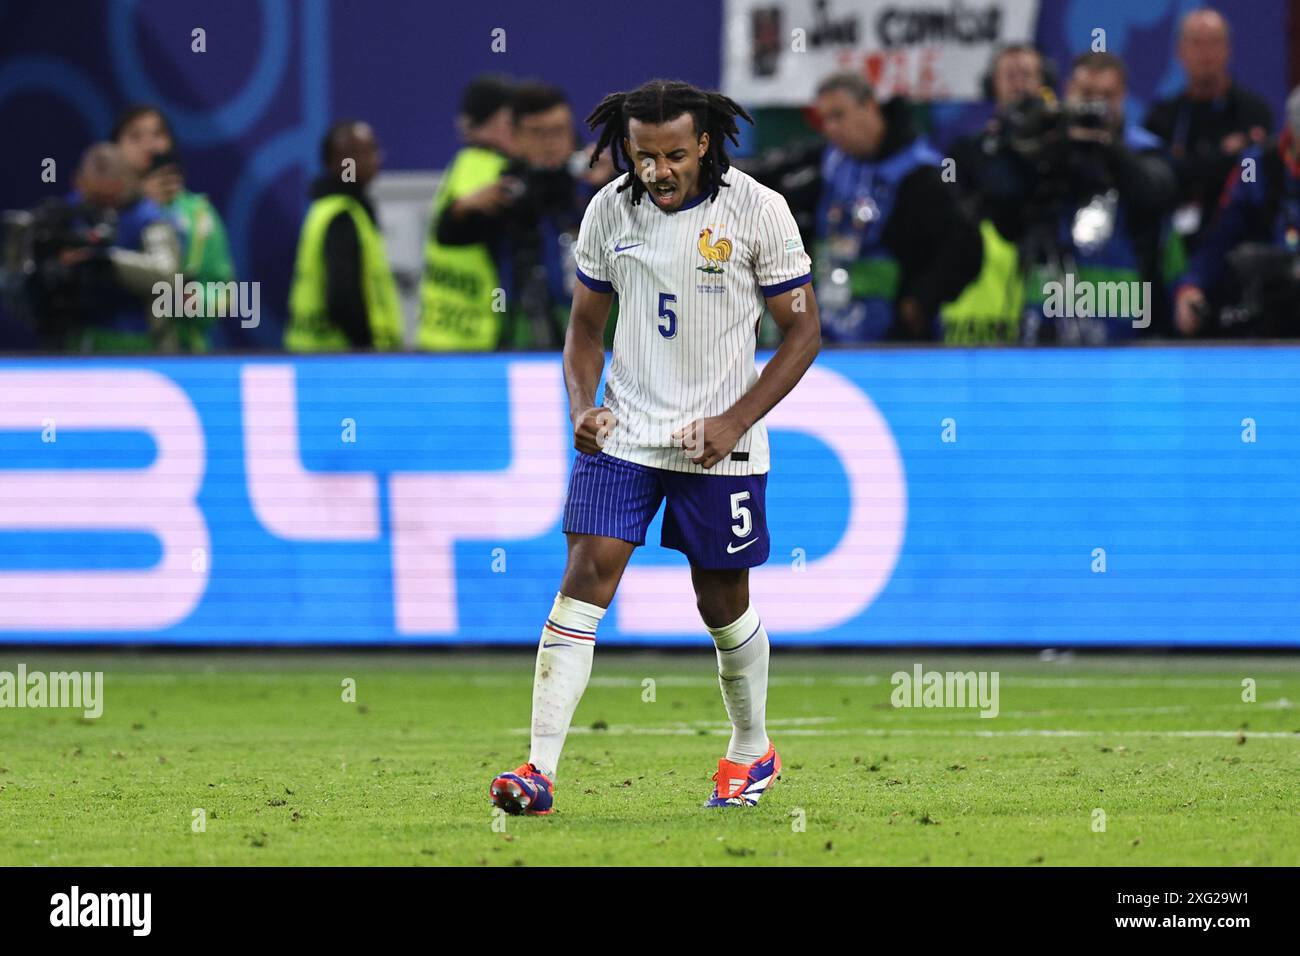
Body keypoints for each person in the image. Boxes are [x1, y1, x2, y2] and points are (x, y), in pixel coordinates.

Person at [488, 79, 821, 815]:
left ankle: (750, 749)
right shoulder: (609, 209)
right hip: (628, 432)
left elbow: (804, 334)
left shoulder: (758, 211)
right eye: (644, 156)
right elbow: (582, 331)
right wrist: (582, 404)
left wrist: (735, 421)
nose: (658, 170)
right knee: (585, 573)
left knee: (721, 602)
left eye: (674, 154)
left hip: (717, 442)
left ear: (704, 144)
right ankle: (538, 771)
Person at [811, 73, 982, 342]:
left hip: (895, 340)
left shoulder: (920, 173)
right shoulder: (832, 162)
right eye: (825, 120)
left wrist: (919, 303)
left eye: (838, 115)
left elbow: (966, 246)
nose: (830, 128)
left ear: (869, 107)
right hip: (831, 327)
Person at [433, 81, 596, 349]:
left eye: (559, 131)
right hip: (525, 335)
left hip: (599, 335)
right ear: (516, 136)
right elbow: (448, 235)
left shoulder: (596, 185)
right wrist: (461, 208)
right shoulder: (508, 191)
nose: (550, 143)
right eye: (538, 133)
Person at [1143, 8, 1273, 255]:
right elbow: (1158, 182)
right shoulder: (1162, 116)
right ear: (1179, 51)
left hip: (1237, 245)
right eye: (1196, 43)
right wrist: (1223, 154)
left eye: (1214, 42)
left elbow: (1249, 180)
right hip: (1172, 245)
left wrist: (1185, 163)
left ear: (1229, 50)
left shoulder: (1254, 112)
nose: (1205, 53)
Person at [1174, 86, 1300, 338]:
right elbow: (1221, 237)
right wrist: (1191, 286)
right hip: (1275, 310)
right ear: (1293, 132)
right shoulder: (1257, 166)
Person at [113, 105, 235, 350]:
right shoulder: (101, 208)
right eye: (135, 136)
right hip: (112, 357)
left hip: (182, 358)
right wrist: (142, 206)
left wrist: (192, 301)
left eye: (158, 134)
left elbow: (226, 293)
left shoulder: (200, 215)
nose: (149, 145)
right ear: (114, 148)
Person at [417, 75, 516, 350]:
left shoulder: (461, 164)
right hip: (477, 335)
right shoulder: (490, 168)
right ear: (499, 120)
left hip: (440, 330)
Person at [285, 120, 403, 351]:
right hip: (338, 360)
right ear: (341, 163)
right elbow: (342, 299)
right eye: (363, 153)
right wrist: (366, 349)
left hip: (317, 355)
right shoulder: (341, 217)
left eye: (374, 150)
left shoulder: (330, 208)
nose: (374, 159)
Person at [58, 143, 181, 352]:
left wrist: (107, 263)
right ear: (79, 182)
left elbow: (167, 275)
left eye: (109, 198)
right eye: (95, 197)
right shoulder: (65, 214)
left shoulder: (150, 219)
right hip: (77, 344)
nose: (102, 207)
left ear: (126, 183)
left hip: (140, 344)